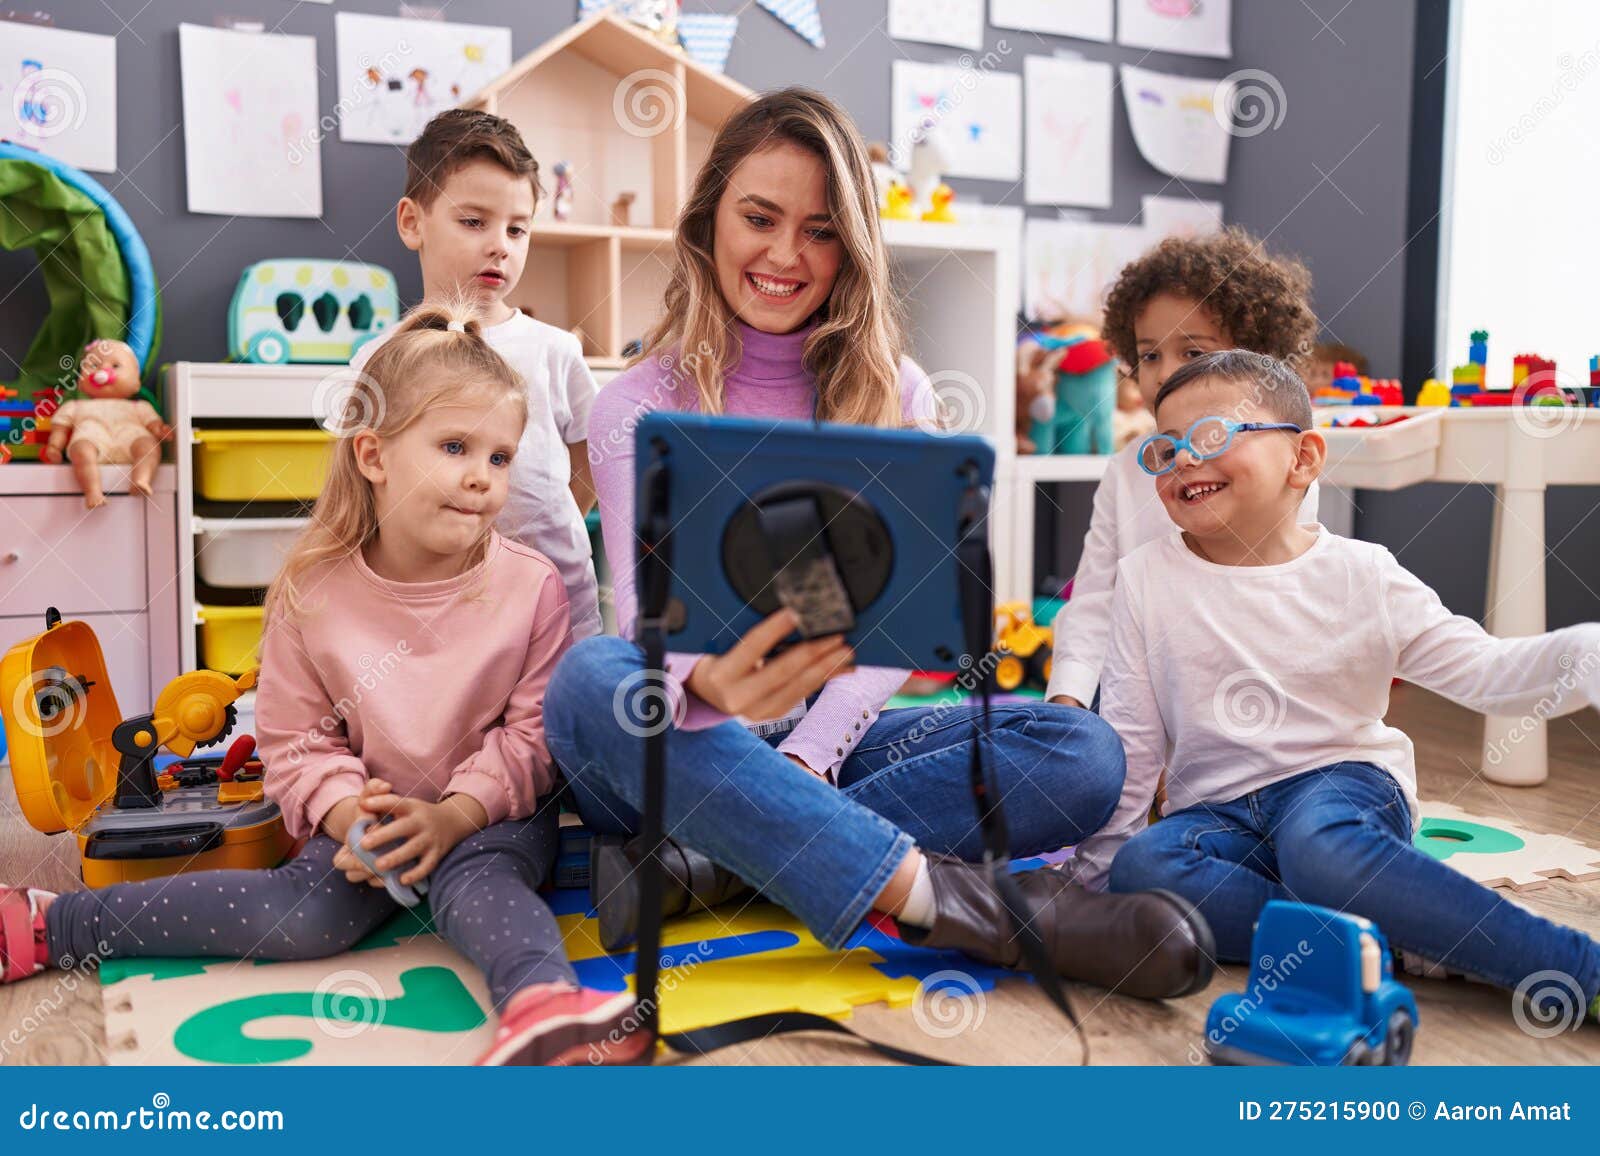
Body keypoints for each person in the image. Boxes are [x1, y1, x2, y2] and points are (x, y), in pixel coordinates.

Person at [544, 88, 1213, 999]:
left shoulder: (892, 392)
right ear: (708, 224)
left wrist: (805, 761)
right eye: (758, 218)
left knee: (1082, 752)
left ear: (851, 246)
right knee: (592, 682)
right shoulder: (633, 406)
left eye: (819, 230)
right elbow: (653, 621)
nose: (785, 255)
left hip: (816, 744)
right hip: (676, 746)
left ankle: (717, 869)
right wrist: (706, 689)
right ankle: (945, 900)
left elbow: (891, 628)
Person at [0, 304, 646, 1066]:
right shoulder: (314, 590)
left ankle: (544, 1006)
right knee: (303, 917)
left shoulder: (531, 586)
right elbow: (294, 739)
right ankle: (53, 925)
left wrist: (451, 818)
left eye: (502, 458)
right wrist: (351, 818)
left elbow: (534, 734)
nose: (481, 477)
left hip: (490, 818)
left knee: (482, 888)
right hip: (361, 822)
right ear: (373, 455)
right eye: (454, 447)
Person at [1079, 348, 1600, 1027]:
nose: (1182, 459)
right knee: (1146, 869)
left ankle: (1575, 968)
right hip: (1218, 817)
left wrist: (1583, 655)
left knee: (1321, 849)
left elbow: (1486, 672)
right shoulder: (1146, 575)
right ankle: (1389, 933)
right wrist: (1097, 880)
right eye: (1164, 447)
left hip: (1341, 787)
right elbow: (1133, 738)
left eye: (1209, 436)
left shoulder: (1365, 574)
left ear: (1303, 459)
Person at [350, 108, 603, 640]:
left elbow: (588, 463)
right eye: (474, 222)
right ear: (412, 222)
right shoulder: (379, 359)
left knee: (560, 722)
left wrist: (545, 526)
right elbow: (360, 491)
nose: (500, 246)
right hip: (436, 612)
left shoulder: (555, 350)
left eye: (517, 229)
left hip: (557, 608)